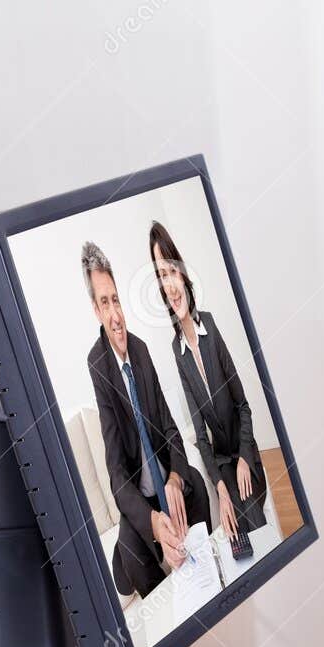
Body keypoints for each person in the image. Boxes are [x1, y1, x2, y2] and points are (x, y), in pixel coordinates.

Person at [83, 241, 211, 599]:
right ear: (96, 310)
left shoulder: (140, 350)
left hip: (161, 486)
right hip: (140, 497)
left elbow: (169, 428)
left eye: (117, 300)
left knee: (196, 485)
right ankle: (170, 611)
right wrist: (153, 523)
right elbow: (116, 472)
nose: (115, 313)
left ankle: (204, 584)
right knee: (129, 550)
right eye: (105, 303)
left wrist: (173, 477)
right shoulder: (99, 366)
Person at [150, 220, 268, 545]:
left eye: (171, 271)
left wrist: (245, 457)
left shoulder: (211, 327)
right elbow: (201, 436)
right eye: (161, 276)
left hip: (245, 455)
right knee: (234, 530)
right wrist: (219, 486)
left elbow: (243, 405)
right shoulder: (178, 352)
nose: (170, 286)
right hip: (222, 465)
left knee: (252, 518)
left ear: (183, 274)